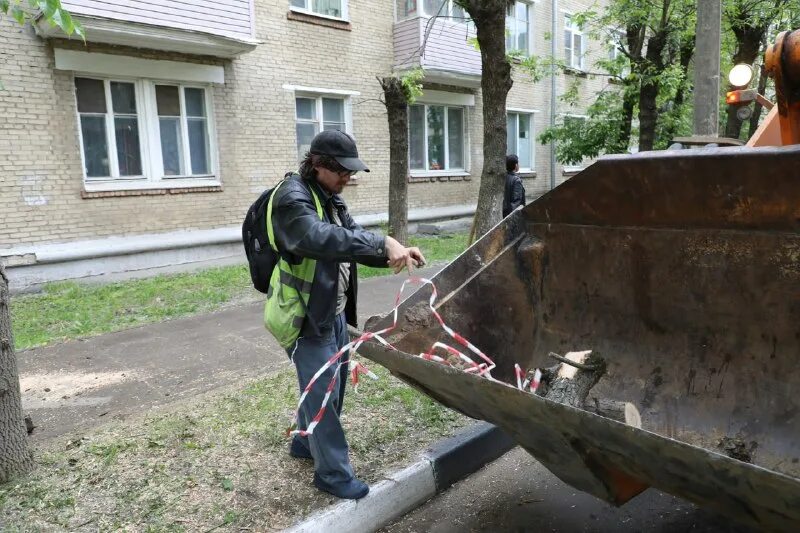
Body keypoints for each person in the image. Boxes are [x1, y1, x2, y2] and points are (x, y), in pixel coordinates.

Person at [267, 130, 426, 500]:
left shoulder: (330, 197)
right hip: (303, 316)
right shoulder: (292, 198)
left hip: (332, 311)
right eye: (342, 171)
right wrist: (381, 242)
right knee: (323, 395)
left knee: (329, 388)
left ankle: (304, 443)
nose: (348, 178)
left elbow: (351, 236)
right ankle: (333, 475)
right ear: (318, 164)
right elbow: (318, 237)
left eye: (350, 172)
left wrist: (393, 251)